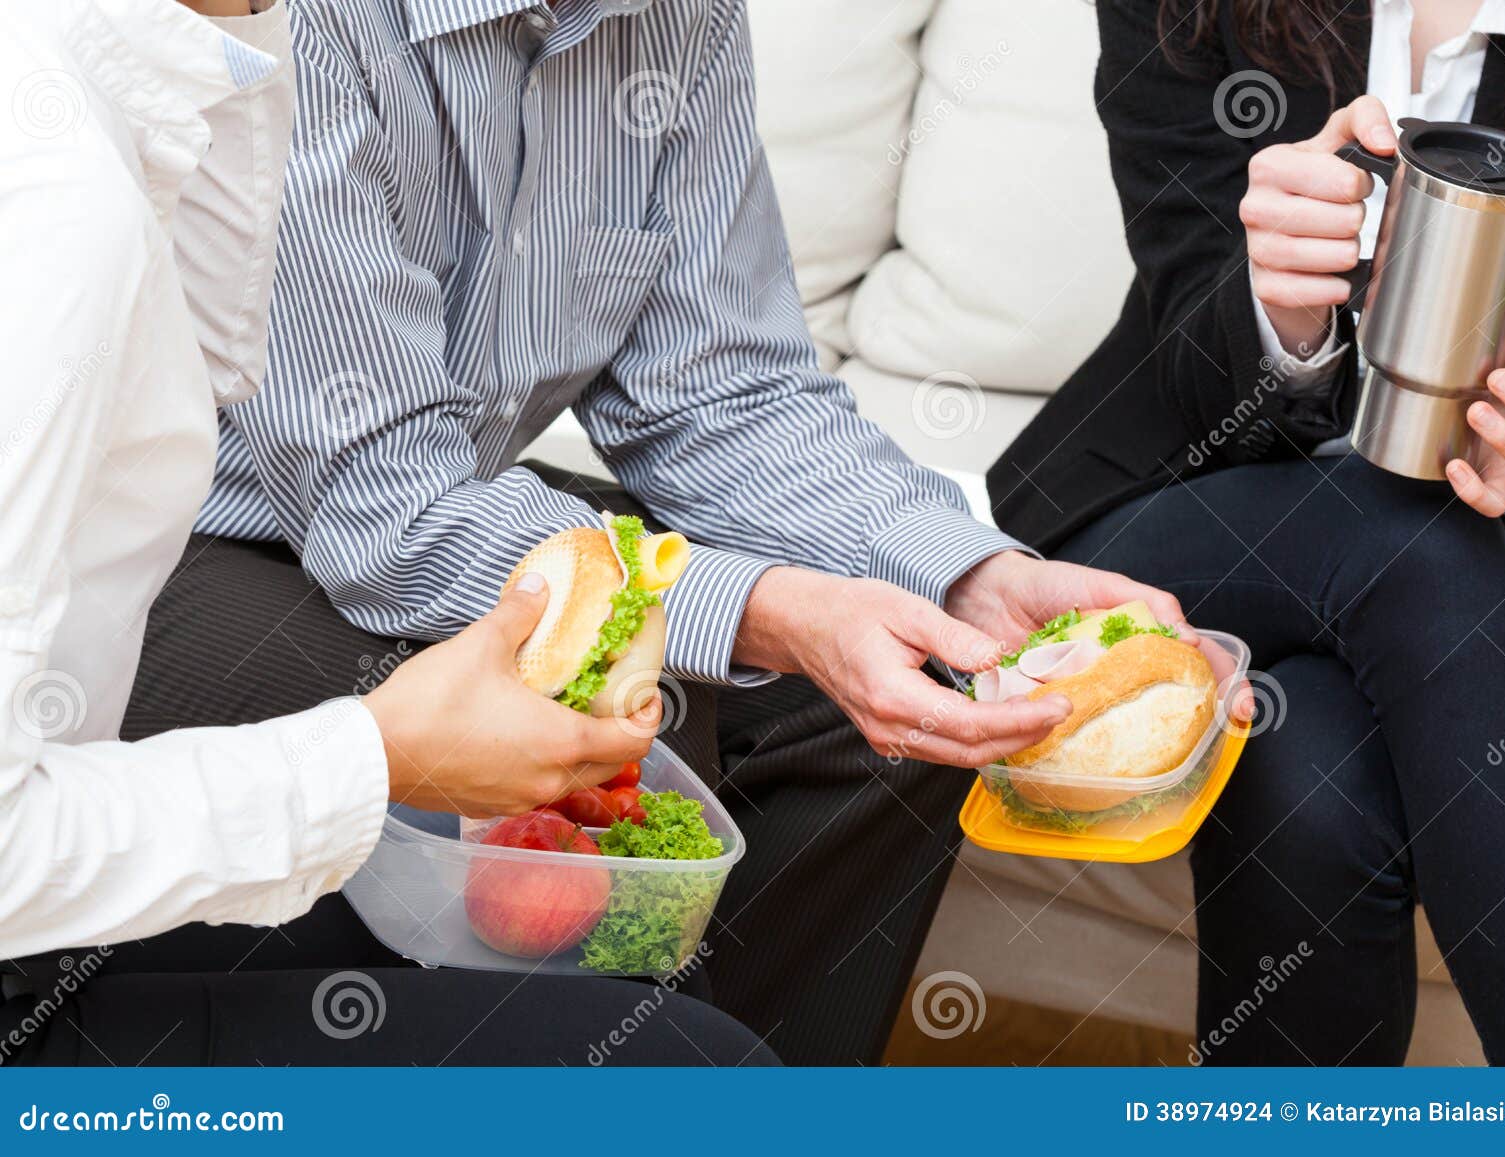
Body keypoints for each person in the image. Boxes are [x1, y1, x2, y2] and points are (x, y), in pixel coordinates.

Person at [113, 0, 1218, 1065]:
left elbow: (723, 390)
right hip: (170, 552)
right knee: (621, 729)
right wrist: (774, 614)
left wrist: (964, 578)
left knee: (913, 705)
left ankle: (721, 1087)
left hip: (440, 492)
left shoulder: (675, 14)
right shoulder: (292, 18)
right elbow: (388, 510)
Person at [0, 0, 773, 1068]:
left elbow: (728, 378)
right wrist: (378, 753)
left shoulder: (166, 84)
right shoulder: (57, 206)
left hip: (43, 885)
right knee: (690, 1070)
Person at [990, 0, 1505, 1064]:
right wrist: (1282, 314)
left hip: (1495, 573)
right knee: (1407, 536)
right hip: (1180, 509)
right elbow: (1185, 311)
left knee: (1311, 767)